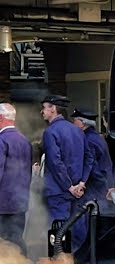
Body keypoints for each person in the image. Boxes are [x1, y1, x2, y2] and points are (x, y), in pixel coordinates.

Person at [40, 95, 85, 254]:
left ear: (53, 109)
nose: (42, 112)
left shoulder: (50, 131)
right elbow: (88, 158)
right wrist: (81, 183)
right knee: (75, 229)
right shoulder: (77, 130)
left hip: (59, 191)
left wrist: (68, 186)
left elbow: (55, 162)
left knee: (59, 233)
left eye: (44, 108)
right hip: (76, 190)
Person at [0, 103, 32, 254]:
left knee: (3, 242)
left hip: (2, 203)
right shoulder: (24, 140)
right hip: (20, 201)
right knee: (17, 238)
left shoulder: (1, 141)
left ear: (1, 118)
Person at [71, 110, 114, 209]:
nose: (72, 123)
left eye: (74, 120)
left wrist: (82, 183)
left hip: (93, 187)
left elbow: (91, 165)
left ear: (82, 123)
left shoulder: (86, 139)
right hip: (103, 183)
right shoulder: (98, 138)